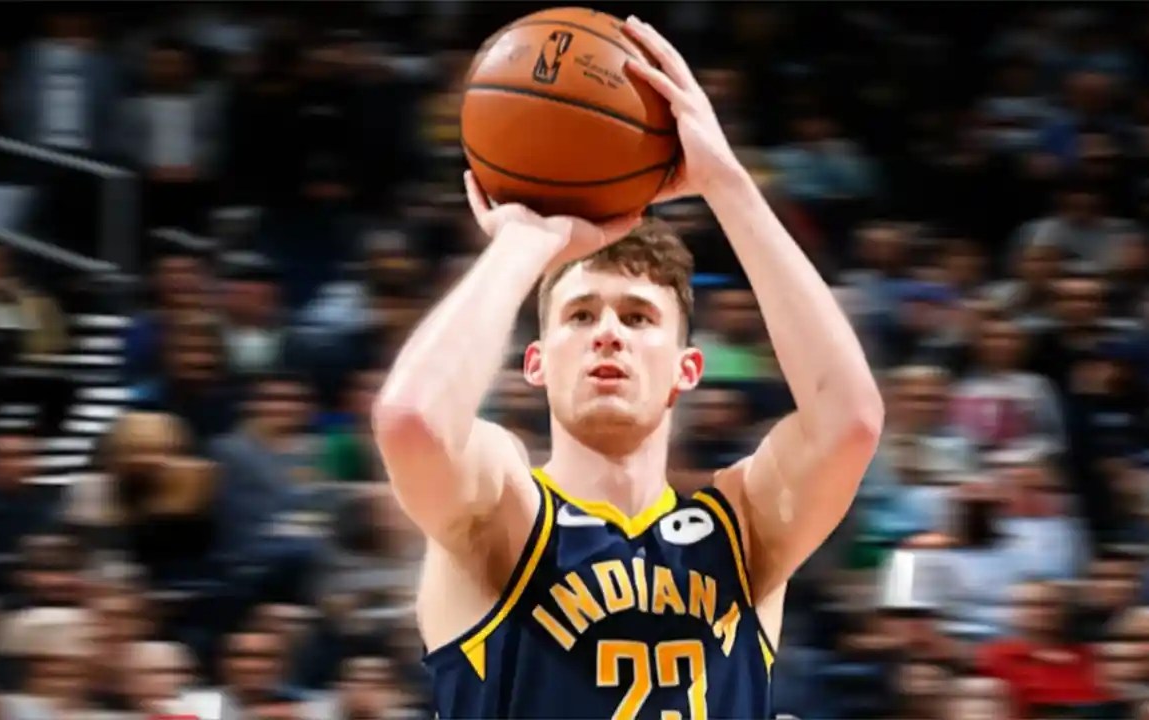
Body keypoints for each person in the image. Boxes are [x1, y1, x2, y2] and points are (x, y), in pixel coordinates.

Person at [374, 16, 883, 719]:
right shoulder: (503, 514)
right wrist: (525, 243)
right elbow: (410, 422)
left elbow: (851, 420)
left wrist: (727, 184)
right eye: (580, 315)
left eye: (638, 318)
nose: (608, 334)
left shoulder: (744, 531)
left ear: (687, 368)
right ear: (535, 363)